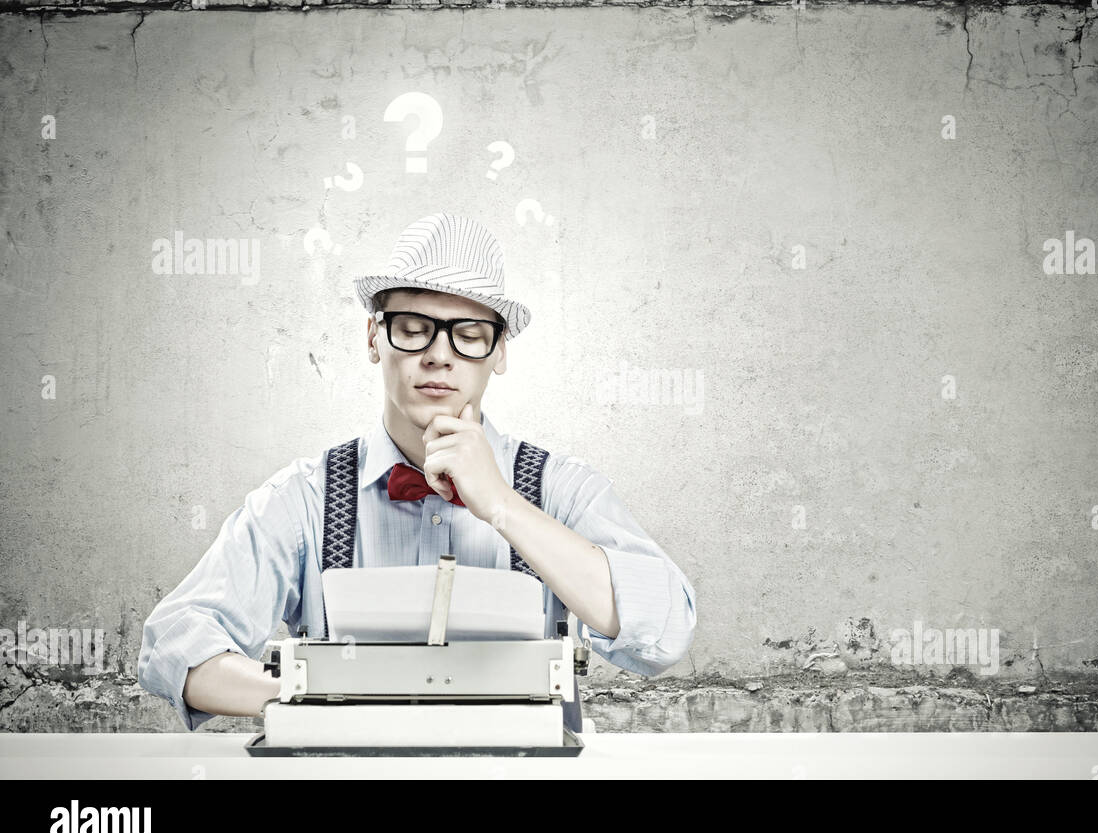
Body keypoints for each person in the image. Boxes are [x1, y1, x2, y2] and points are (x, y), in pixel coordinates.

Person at [137, 213, 697, 734]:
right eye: (412, 327)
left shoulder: (561, 489)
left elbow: (665, 634)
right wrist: (305, 695)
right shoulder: (305, 498)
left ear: (499, 351)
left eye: (469, 334)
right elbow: (176, 640)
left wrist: (502, 505)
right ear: (374, 337)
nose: (439, 355)